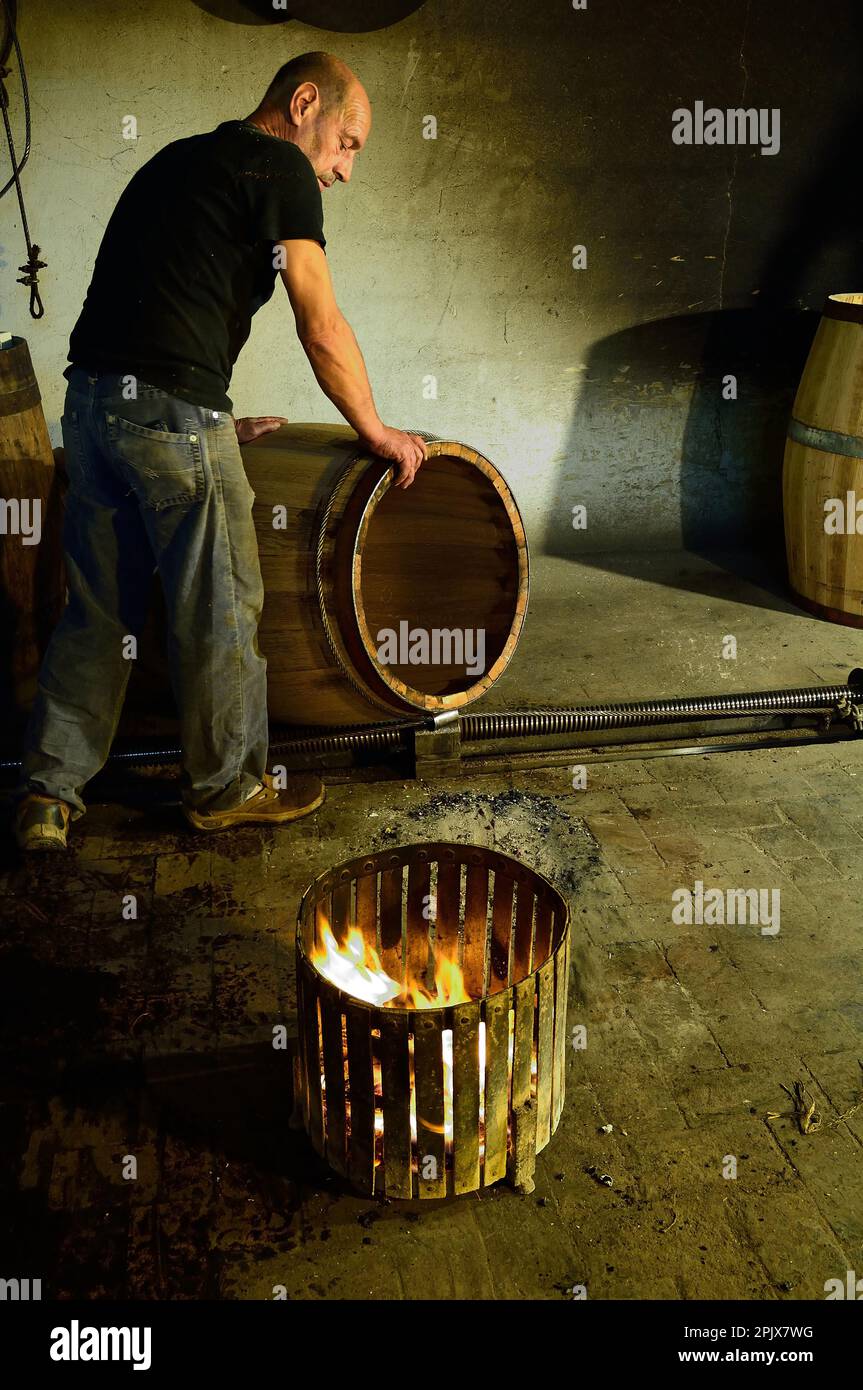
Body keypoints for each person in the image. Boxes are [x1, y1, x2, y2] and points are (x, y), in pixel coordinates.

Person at [12, 51, 427, 851]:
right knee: (221, 608)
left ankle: (47, 793)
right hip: (170, 414)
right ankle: (228, 787)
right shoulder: (281, 167)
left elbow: (152, 305)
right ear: (304, 103)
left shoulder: (179, 160)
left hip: (93, 408)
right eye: (347, 143)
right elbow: (319, 322)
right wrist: (375, 429)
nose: (344, 170)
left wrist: (198, 419)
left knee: (97, 612)